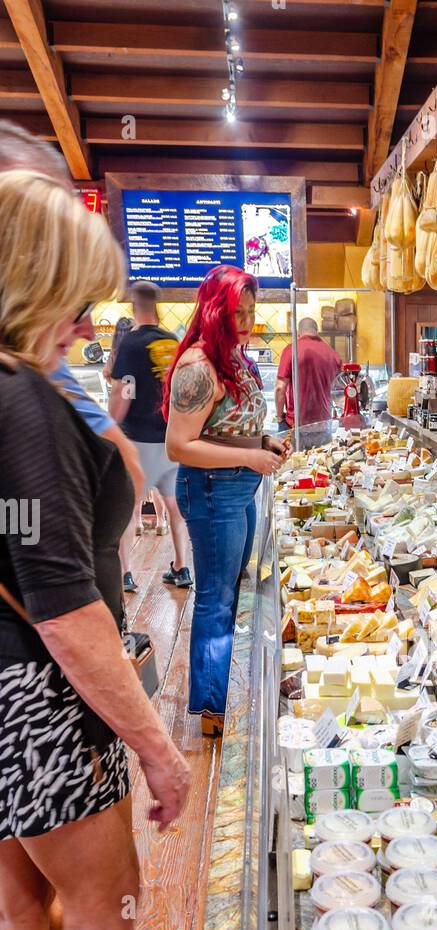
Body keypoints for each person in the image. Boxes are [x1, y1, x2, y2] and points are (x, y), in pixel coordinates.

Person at [0, 171, 192, 930]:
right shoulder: (23, 401)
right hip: (40, 700)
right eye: (80, 294)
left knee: (16, 904)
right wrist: (154, 746)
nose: (89, 319)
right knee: (107, 910)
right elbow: (65, 607)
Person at [165, 265, 285, 737]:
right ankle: (211, 710)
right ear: (216, 311)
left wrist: (265, 442)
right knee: (216, 599)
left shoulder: (236, 358)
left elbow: (230, 427)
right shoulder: (198, 367)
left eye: (253, 312)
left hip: (237, 487)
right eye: (239, 312)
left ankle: (216, 693)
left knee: (230, 592)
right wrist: (252, 458)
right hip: (212, 491)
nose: (248, 321)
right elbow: (179, 446)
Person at [108, 281, 191, 590]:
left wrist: (110, 428)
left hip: (139, 439)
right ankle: (182, 567)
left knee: (129, 509)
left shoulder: (130, 343)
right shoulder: (173, 342)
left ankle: (126, 574)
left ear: (133, 305)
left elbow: (123, 391)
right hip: (169, 439)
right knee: (174, 507)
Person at [275, 317, 341, 450]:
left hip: (296, 425)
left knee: (294, 468)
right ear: (317, 332)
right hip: (324, 425)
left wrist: (279, 417)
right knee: (321, 467)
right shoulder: (333, 354)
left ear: (299, 333)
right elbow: (339, 393)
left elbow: (279, 388)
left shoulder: (292, 349)